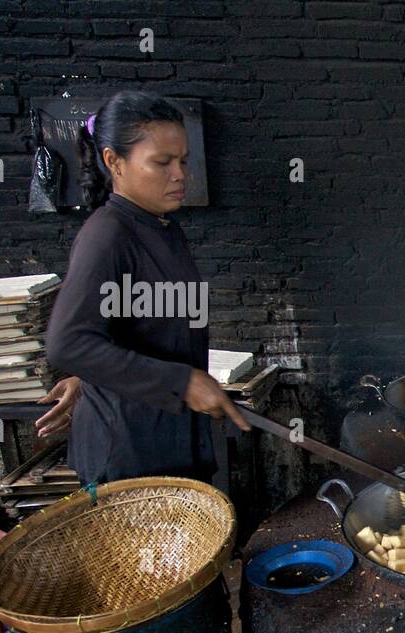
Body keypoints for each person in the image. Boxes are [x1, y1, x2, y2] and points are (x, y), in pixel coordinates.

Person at [43, 91, 248, 485]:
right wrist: (182, 382)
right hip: (127, 455)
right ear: (113, 161)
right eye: (162, 163)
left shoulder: (164, 226)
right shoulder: (107, 235)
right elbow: (67, 343)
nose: (180, 174)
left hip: (168, 439)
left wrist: (91, 375)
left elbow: (123, 325)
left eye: (183, 160)